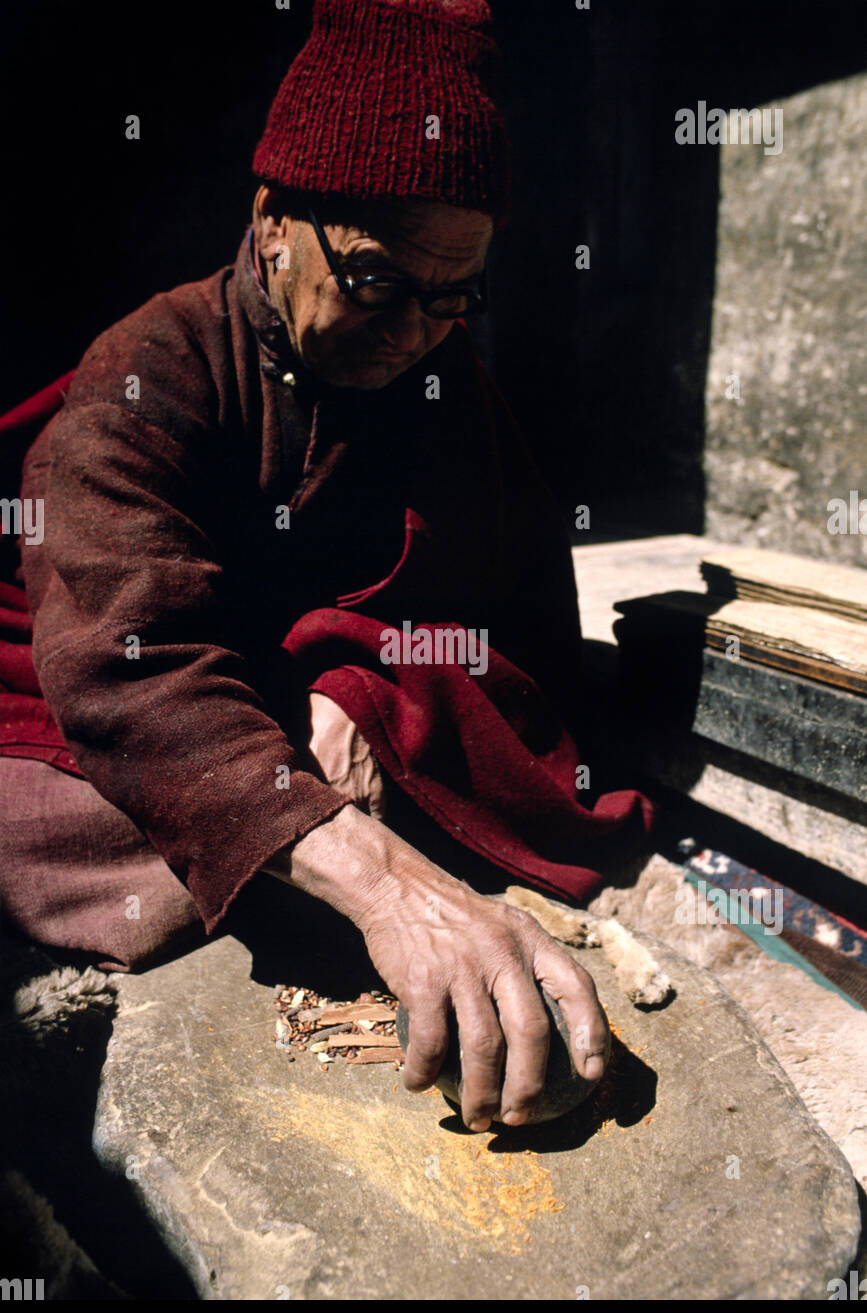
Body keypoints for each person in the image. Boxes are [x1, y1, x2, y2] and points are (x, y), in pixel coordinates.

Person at [0, 0, 651, 1133]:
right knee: (88, 832)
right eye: (378, 281)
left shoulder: (447, 377)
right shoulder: (148, 372)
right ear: (272, 221)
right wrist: (387, 883)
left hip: (303, 716)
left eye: (457, 295)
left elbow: (520, 625)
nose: (417, 332)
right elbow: (122, 660)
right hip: (127, 693)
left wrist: (362, 692)